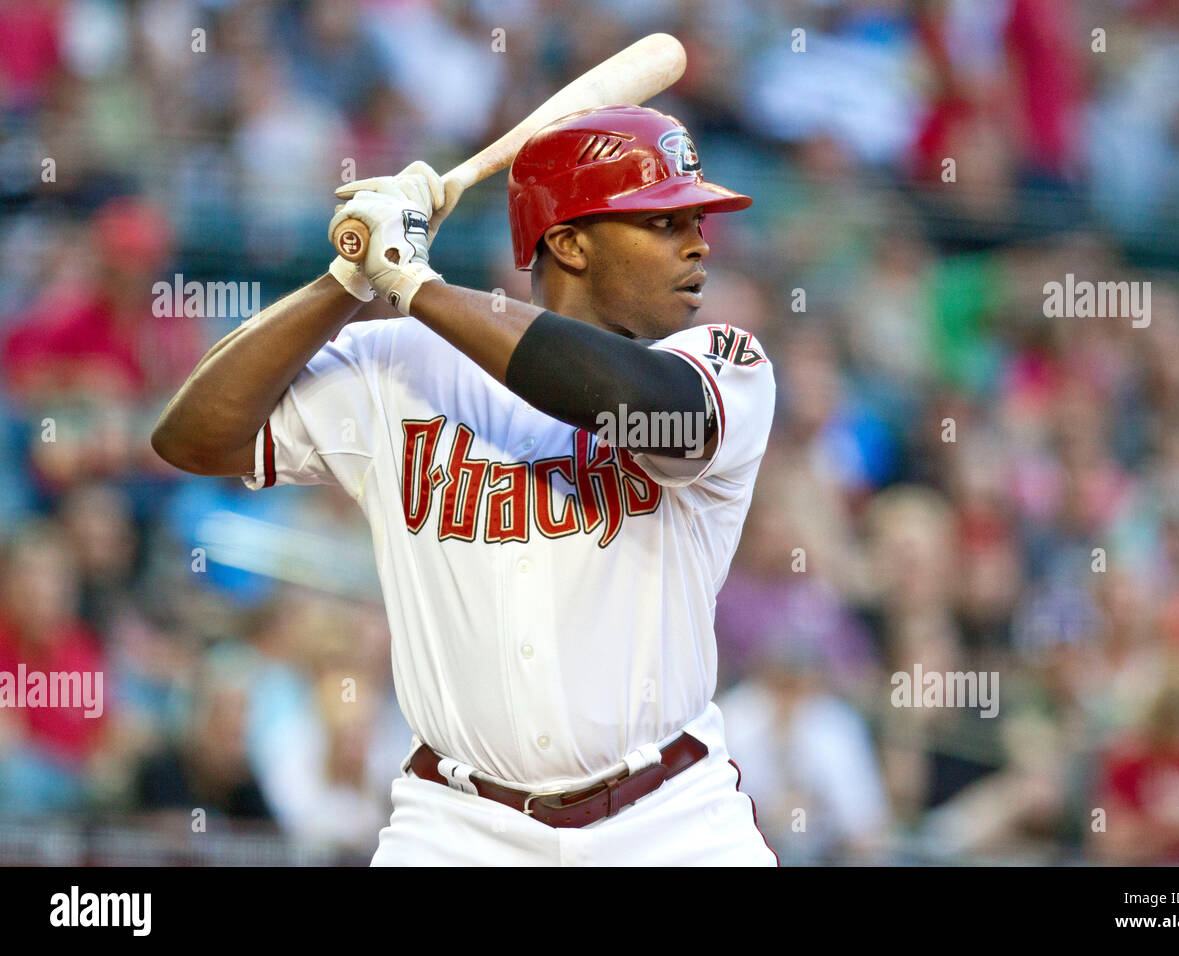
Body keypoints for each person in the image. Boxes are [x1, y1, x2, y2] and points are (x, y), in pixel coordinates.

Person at [152, 105, 779, 865]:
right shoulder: (397, 362)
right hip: (458, 828)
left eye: (695, 220)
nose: (699, 243)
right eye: (663, 223)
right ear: (569, 244)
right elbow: (193, 437)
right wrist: (348, 276)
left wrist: (413, 282)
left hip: (669, 821)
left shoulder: (724, 363)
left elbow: (643, 406)